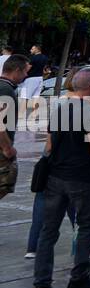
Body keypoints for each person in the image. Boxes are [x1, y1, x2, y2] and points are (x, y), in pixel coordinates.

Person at [34, 68, 90, 288]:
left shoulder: (60, 109)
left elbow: (50, 145)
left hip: (55, 176)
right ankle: (79, 278)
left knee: (48, 231)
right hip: (81, 177)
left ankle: (42, 283)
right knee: (87, 225)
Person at [0, 54, 26, 204]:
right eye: (25, 71)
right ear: (16, 70)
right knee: (6, 181)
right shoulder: (5, 89)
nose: (26, 75)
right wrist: (7, 148)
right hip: (1, 149)